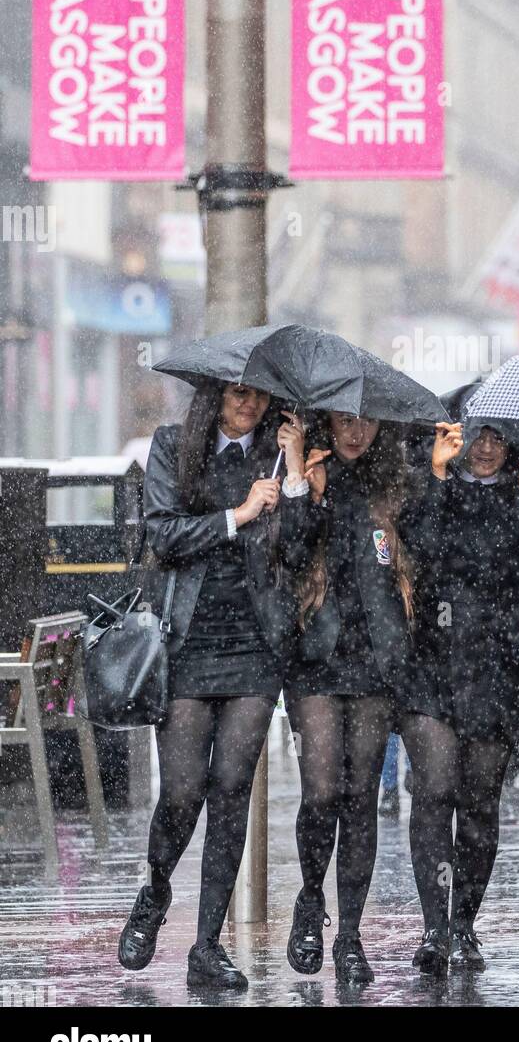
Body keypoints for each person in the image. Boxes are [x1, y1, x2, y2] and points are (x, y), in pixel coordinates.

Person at [117, 383, 323, 991]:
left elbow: (302, 550)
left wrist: (290, 488)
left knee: (232, 790)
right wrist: (237, 517)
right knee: (181, 792)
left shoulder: (278, 458)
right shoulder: (174, 447)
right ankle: (155, 892)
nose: (248, 405)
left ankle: (207, 945)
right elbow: (164, 535)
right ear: (214, 395)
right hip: (187, 641)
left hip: (255, 647)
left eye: (259, 396)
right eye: (238, 394)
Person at [282, 413, 457, 986]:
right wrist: (306, 493)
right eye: (343, 421)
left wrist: (434, 476)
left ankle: (350, 935)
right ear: (324, 422)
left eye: (366, 423)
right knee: (322, 790)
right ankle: (311, 899)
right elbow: (285, 553)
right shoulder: (311, 476)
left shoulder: (394, 484)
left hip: (377, 661)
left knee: (360, 797)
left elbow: (430, 551)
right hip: (317, 658)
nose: (356, 432)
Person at [406, 422, 519, 975]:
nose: (486, 447)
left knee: (480, 800)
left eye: (497, 437)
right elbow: (422, 552)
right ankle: (433, 928)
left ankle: (463, 923)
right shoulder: (433, 484)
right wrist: (438, 476)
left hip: (498, 667)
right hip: (434, 661)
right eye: (475, 435)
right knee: (435, 788)